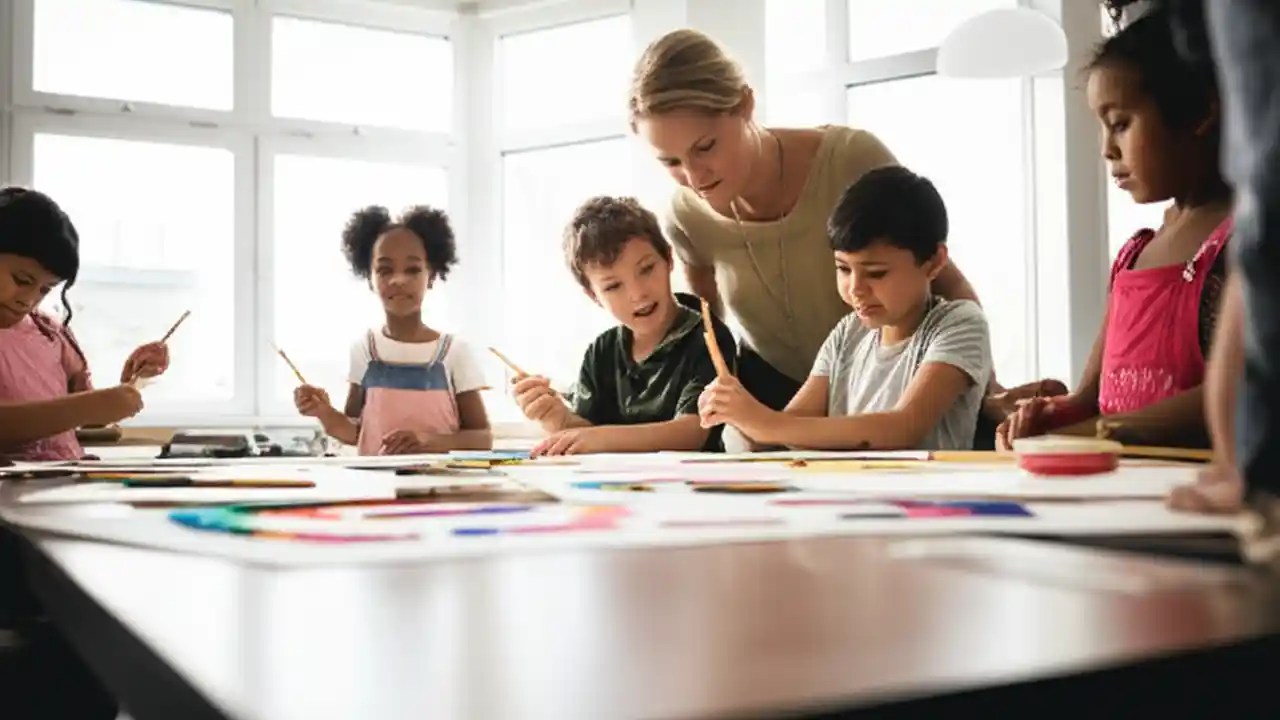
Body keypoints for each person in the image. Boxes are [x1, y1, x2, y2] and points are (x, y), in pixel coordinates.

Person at [627, 29, 1021, 419]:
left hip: (890, 394)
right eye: (670, 162)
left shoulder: (849, 159)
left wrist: (987, 392)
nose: (694, 176)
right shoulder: (685, 217)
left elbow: (944, 280)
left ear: (745, 104)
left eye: (705, 147)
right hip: (778, 403)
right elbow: (708, 334)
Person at [998, 7, 1232, 450]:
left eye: (1121, 124)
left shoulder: (1240, 240)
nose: (1107, 149)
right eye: (1103, 128)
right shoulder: (1134, 255)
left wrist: (1101, 432)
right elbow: (1091, 400)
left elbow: (1238, 391)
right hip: (1119, 481)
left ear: (1201, 110)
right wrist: (1049, 416)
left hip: (1199, 485)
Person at [699, 167, 992, 451]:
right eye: (843, 269)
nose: (855, 289)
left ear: (934, 262)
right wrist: (738, 416)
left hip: (922, 486)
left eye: (876, 273)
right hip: (846, 484)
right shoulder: (848, 332)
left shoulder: (960, 323)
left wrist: (764, 423)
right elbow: (791, 426)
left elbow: (903, 428)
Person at [513, 196, 736, 457]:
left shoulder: (707, 336)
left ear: (668, 259)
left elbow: (691, 433)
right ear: (594, 296)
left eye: (647, 269)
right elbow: (588, 433)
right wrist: (557, 418)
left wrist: (597, 437)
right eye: (613, 286)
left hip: (692, 479)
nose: (637, 294)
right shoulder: (601, 351)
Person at [294, 205, 492, 455]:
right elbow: (355, 433)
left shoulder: (454, 353)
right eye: (385, 270)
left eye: (413, 270)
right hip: (376, 479)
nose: (398, 280)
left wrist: (427, 441)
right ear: (370, 278)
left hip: (439, 479)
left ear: (431, 276)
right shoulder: (364, 350)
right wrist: (323, 412)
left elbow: (482, 438)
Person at [0, 187, 169, 461]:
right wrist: (88, 407)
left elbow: (87, 419)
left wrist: (130, 384)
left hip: (59, 483)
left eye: (45, 289)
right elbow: (80, 410)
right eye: (22, 280)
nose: (28, 300)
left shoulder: (49, 332)